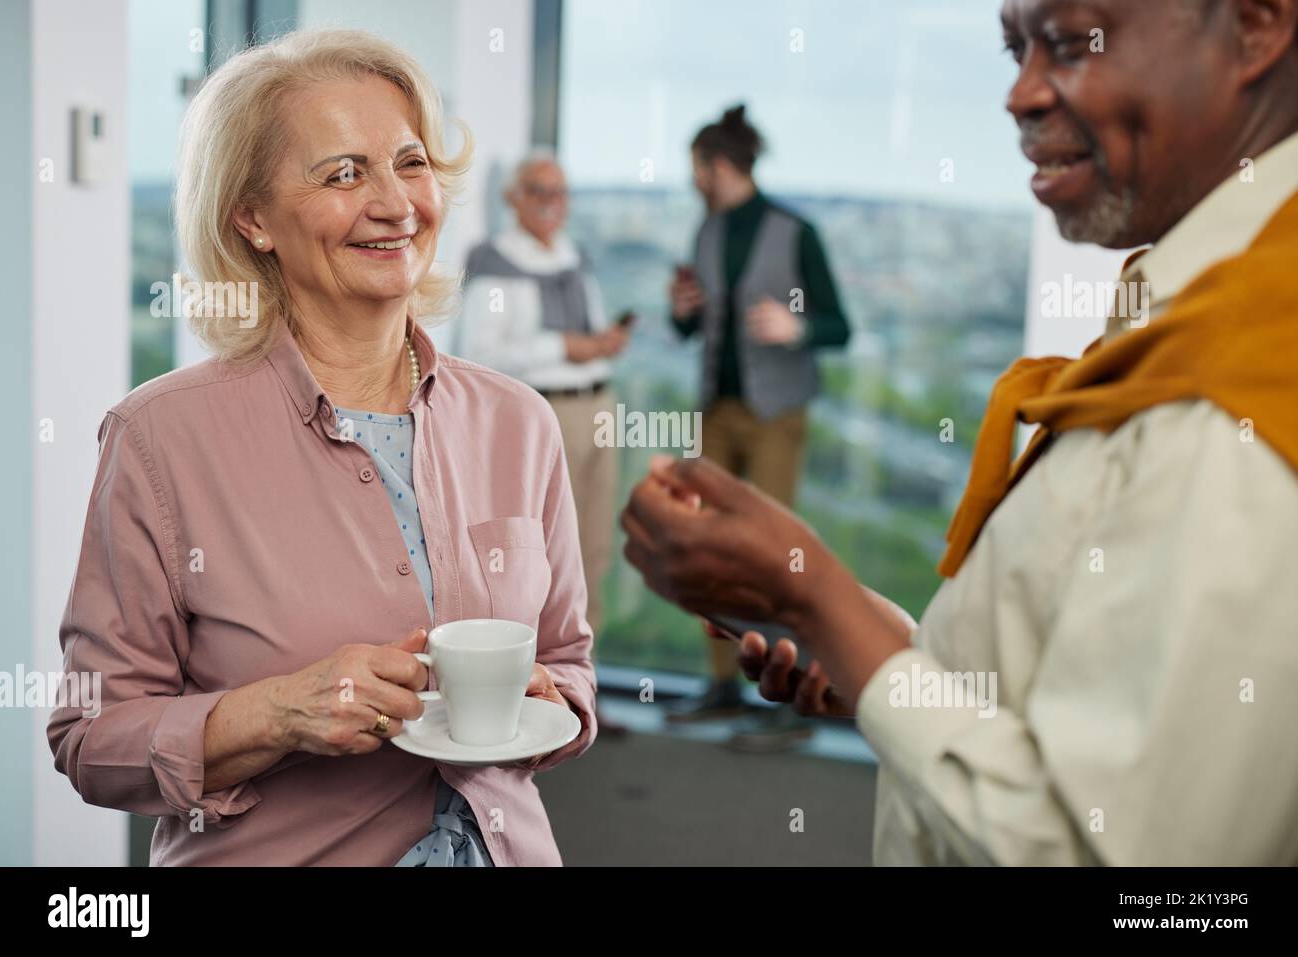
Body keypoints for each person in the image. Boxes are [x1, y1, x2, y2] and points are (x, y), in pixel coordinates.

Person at [622, 0, 1298, 864]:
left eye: (1065, 41)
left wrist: (816, 601)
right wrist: (889, 652)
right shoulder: (1186, 308)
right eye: (1015, 49)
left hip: (776, 403)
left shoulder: (1252, 373)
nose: (1017, 94)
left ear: (1254, 24)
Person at [46, 28, 596, 866]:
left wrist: (551, 702)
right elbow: (89, 737)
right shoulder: (159, 439)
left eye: (410, 163)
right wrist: (278, 713)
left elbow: (569, 661)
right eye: (343, 173)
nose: (396, 203)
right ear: (253, 218)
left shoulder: (519, 421)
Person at [665, 104, 851, 751]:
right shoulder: (707, 233)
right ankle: (723, 686)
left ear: (718, 166)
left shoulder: (795, 232)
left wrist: (796, 326)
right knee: (701, 545)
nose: (691, 180)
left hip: (776, 414)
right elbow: (695, 328)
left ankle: (787, 694)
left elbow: (840, 325)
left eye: (695, 168)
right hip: (715, 408)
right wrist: (683, 313)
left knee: (773, 555)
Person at [456, 150, 629, 734]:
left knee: (593, 553)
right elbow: (478, 353)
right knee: (539, 563)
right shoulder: (495, 263)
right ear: (512, 198)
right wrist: (565, 349)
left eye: (561, 192)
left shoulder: (574, 257)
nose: (552, 204)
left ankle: (579, 692)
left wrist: (600, 344)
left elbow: (585, 337)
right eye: (539, 191)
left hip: (595, 409)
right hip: (541, 418)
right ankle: (520, 695)